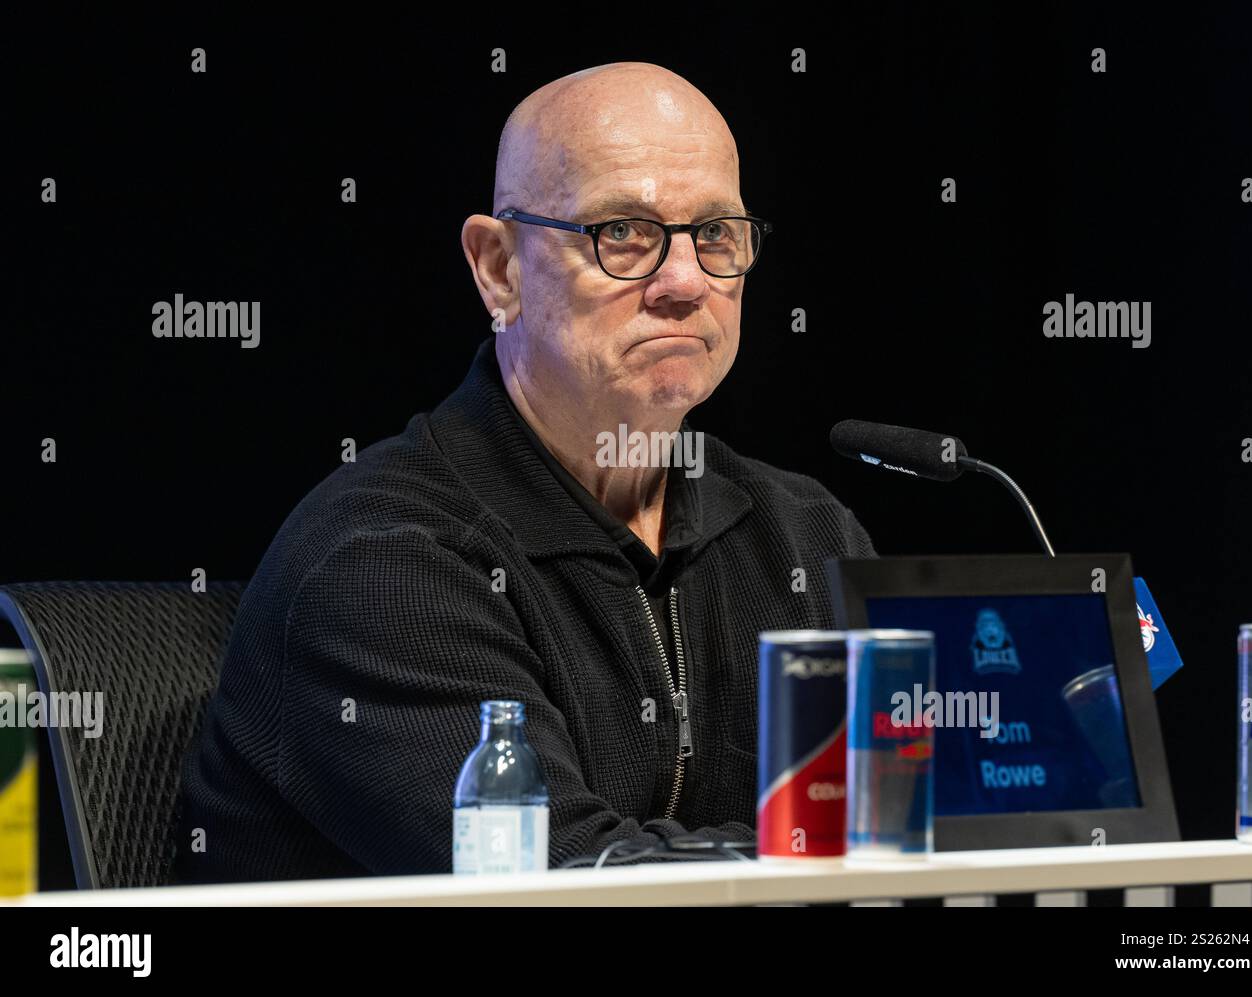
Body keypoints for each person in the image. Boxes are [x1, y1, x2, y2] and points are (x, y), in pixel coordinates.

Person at [173, 61, 875, 882]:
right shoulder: (381, 562)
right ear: (498, 269)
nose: (685, 282)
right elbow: (566, 881)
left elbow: (919, 818)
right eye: (624, 232)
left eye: (715, 234)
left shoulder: (804, 533)